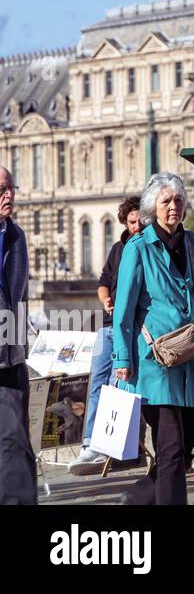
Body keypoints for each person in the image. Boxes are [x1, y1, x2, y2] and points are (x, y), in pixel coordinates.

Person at [113, 172, 194, 505]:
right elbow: (122, 312)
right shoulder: (138, 249)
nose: (173, 206)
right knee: (169, 450)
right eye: (166, 200)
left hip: (192, 361)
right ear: (154, 206)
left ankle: (136, 500)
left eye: (178, 200)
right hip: (156, 364)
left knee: (189, 451)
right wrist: (123, 358)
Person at [70, 196, 143, 474]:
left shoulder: (146, 248)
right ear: (125, 222)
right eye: (132, 221)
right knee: (97, 383)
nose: (136, 226)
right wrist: (105, 300)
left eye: (140, 221)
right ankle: (89, 443)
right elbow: (103, 283)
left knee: (116, 383)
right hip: (107, 324)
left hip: (128, 327)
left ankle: (106, 444)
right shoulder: (118, 249)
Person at [0, 166, 37, 504]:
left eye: (11, 187)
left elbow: (20, 296)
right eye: (1, 189)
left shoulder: (17, 236)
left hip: (11, 355)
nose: (8, 195)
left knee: (15, 437)